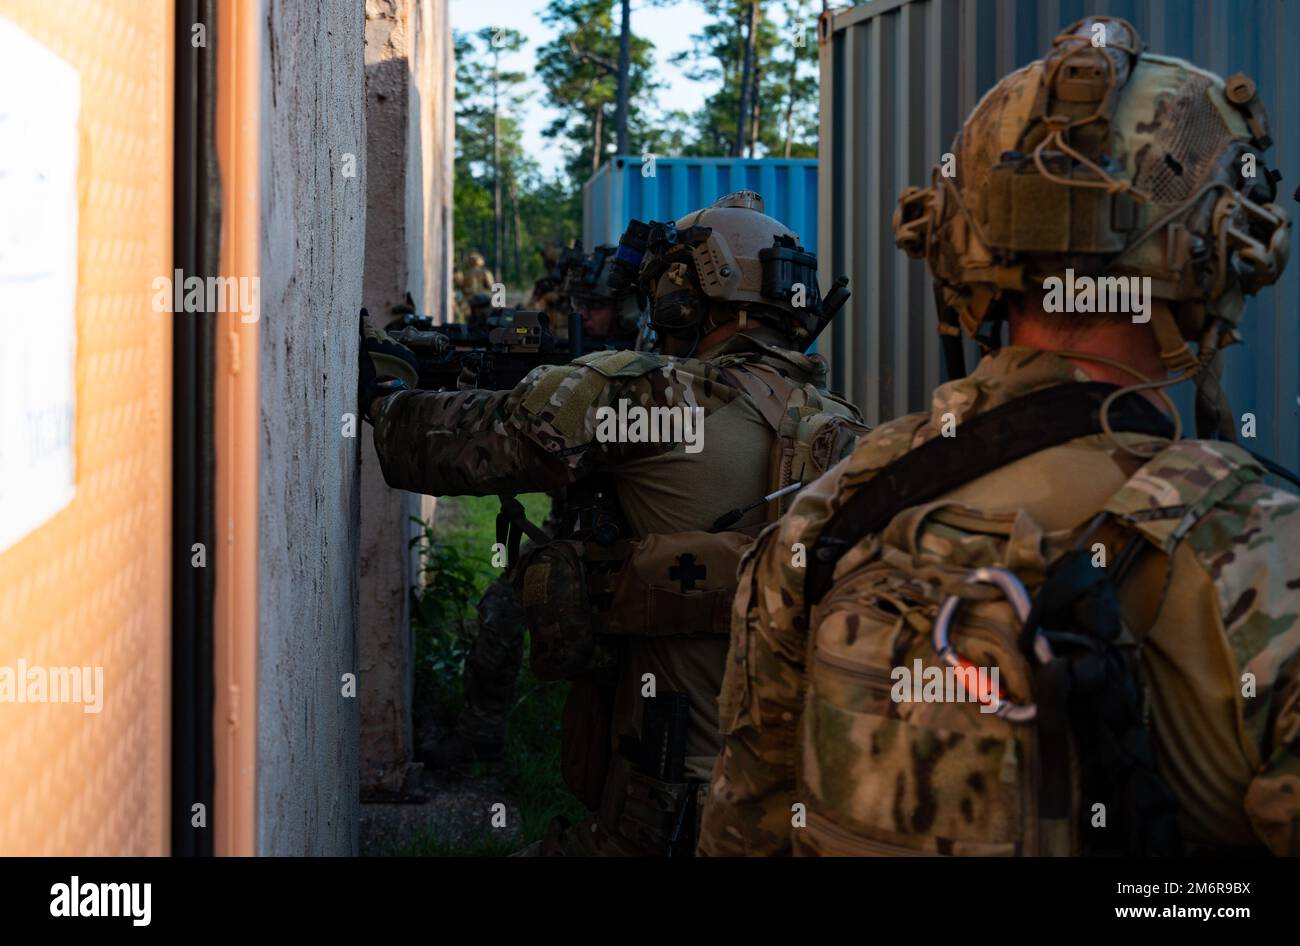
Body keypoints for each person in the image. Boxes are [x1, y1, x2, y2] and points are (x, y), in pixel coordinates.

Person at [698, 17, 1298, 857]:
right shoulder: (1268, 553)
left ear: (958, 245)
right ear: (1224, 253)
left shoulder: (832, 511)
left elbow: (746, 828)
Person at [359, 191, 864, 855]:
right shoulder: (844, 427)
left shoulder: (656, 394)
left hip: (666, 811)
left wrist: (386, 394)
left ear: (684, 296)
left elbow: (462, 449)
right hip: (797, 806)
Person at [420, 243, 647, 772]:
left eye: (595, 305)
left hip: (634, 542)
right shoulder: (585, 362)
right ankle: (481, 739)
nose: (582, 314)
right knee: (501, 613)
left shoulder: (645, 374)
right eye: (579, 303)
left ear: (628, 309)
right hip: (570, 528)